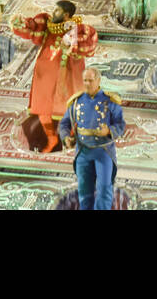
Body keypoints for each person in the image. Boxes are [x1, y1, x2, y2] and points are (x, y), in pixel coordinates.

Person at [11, 0, 98, 152]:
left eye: (57, 11)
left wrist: (72, 46)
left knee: (70, 108)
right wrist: (20, 22)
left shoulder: (78, 30)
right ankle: (51, 138)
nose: (53, 13)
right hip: (45, 77)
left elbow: (87, 46)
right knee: (43, 108)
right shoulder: (47, 26)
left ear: (66, 15)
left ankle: (70, 138)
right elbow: (32, 30)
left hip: (68, 78)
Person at [59, 66, 126, 210]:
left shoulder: (110, 101)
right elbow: (64, 123)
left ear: (98, 80)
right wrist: (66, 138)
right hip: (83, 152)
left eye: (90, 80)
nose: (87, 84)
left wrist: (108, 131)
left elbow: (121, 124)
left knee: (103, 189)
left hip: (103, 151)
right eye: (85, 80)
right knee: (84, 190)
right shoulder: (76, 102)